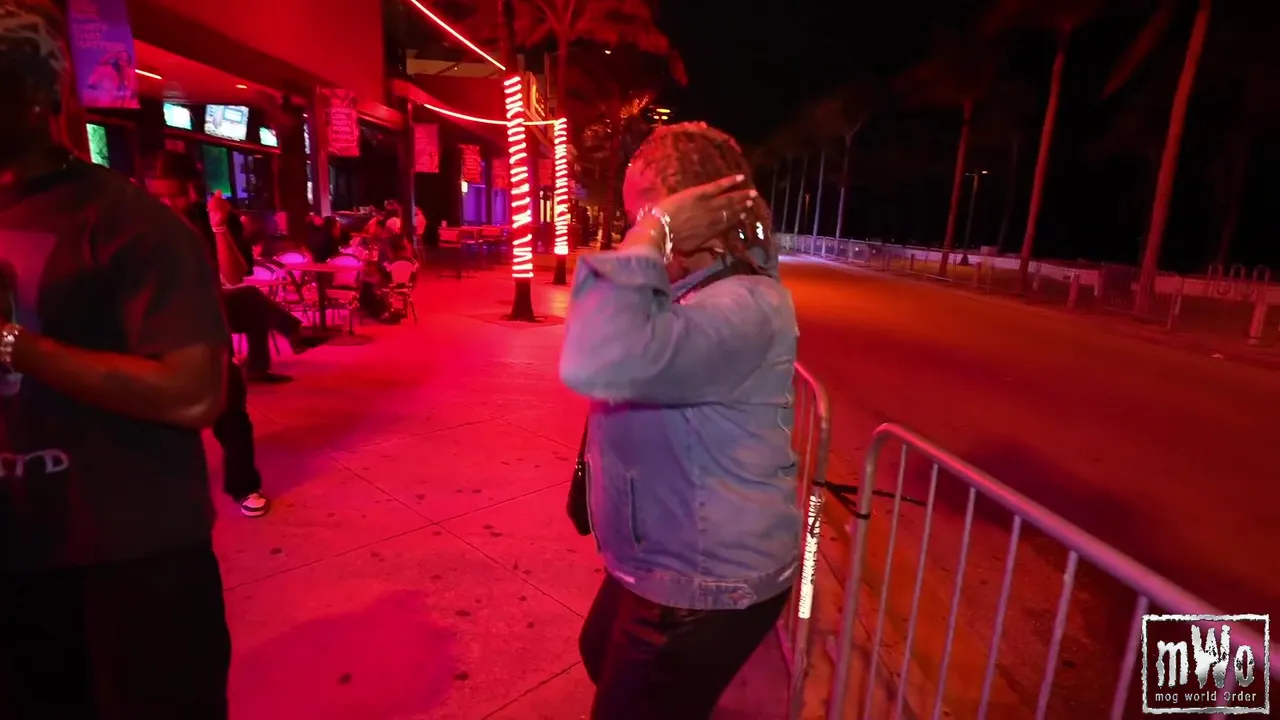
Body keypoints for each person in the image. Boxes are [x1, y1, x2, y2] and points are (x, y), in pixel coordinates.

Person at [0, 2, 232, 716]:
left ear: (37, 95)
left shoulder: (131, 225)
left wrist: (14, 345)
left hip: (129, 560)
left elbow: (195, 392)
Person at [559, 123, 799, 719]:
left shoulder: (743, 305)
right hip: (664, 564)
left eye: (644, 215)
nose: (635, 232)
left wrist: (654, 232)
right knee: (599, 651)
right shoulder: (694, 289)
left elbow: (597, 358)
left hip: (706, 580)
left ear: (695, 214)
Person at [144, 150, 295, 517]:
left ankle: (243, 486)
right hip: (157, 332)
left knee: (231, 412)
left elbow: (232, 275)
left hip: (207, 329)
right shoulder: (139, 223)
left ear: (192, 190)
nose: (167, 203)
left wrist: (218, 227)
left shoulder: (211, 220)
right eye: (158, 195)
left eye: (174, 194)